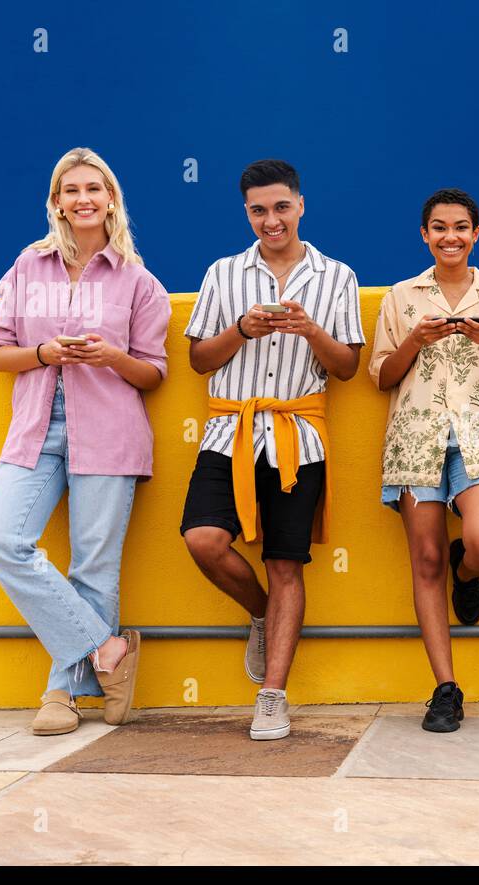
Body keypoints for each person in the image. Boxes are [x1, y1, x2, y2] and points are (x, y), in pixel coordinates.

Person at [0, 147, 170, 736]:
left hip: (110, 433)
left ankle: (62, 694)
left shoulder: (139, 282)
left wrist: (111, 356)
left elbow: (154, 373)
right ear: (56, 202)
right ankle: (107, 648)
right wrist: (44, 353)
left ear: (111, 199)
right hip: (37, 429)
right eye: (71, 190)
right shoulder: (28, 267)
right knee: (0, 539)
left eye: (94, 188)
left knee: (94, 567)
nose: (83, 199)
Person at [180, 159, 364, 741]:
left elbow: (349, 367)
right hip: (228, 431)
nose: (271, 220)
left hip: (297, 437)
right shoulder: (222, 273)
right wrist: (241, 329)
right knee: (203, 540)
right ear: (247, 213)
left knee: (287, 564)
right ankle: (261, 613)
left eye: (281, 207)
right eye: (259, 210)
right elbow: (199, 360)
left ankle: (273, 697)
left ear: (301, 205)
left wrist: (311, 331)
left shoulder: (338, 276)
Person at [368, 188, 479, 732]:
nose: (450, 236)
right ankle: (446, 688)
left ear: (476, 234)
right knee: (425, 562)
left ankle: (469, 571)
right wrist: (414, 339)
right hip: (416, 438)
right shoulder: (400, 297)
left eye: (461, 227)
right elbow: (382, 375)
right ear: (424, 235)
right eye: (439, 227)